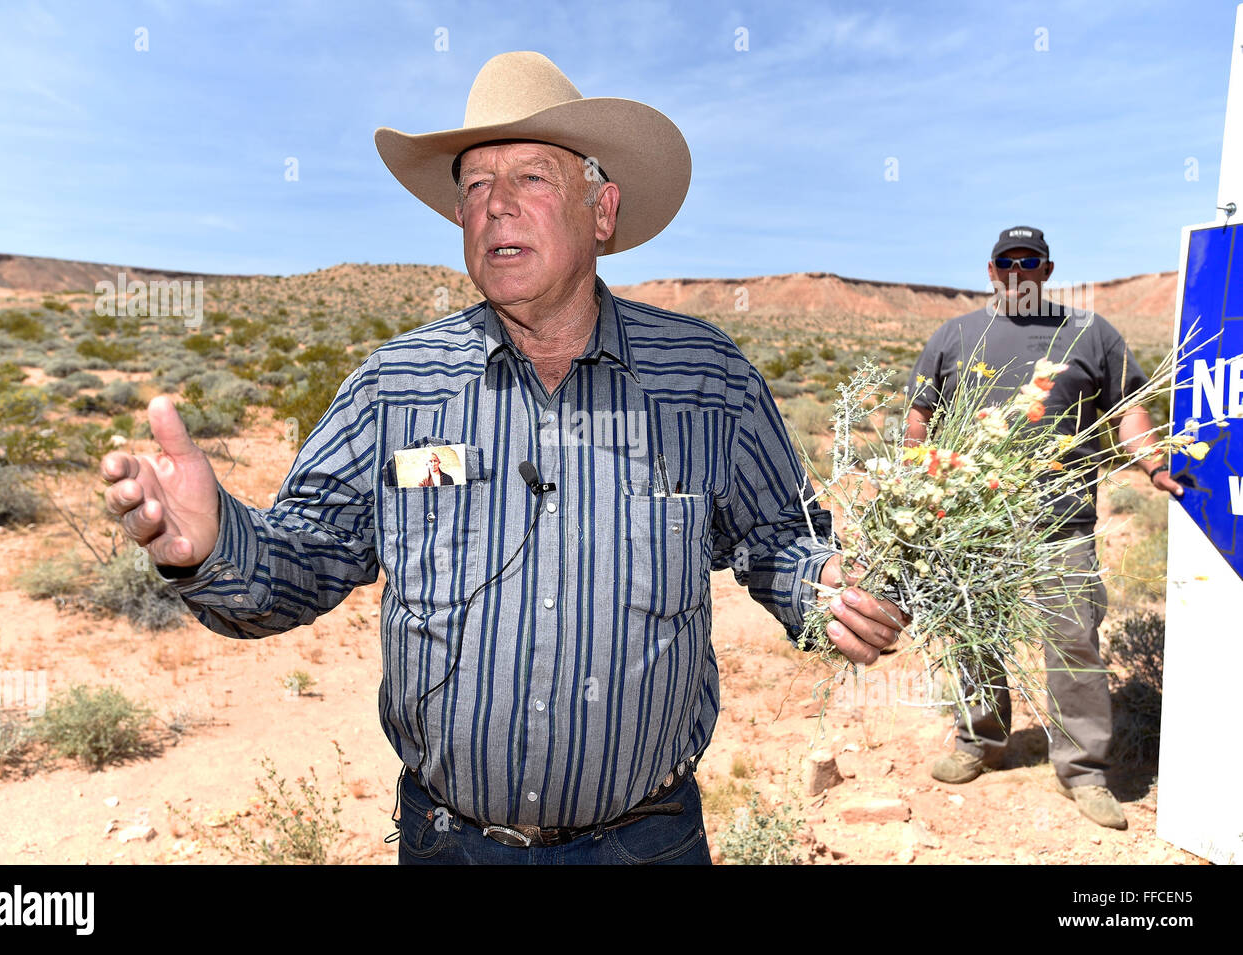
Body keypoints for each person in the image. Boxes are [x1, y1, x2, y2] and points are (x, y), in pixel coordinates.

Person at [99, 51, 903, 864]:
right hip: (449, 840)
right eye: (476, 187)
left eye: (531, 178)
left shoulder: (705, 378)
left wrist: (824, 587)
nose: (496, 208)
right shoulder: (396, 387)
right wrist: (211, 546)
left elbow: (779, 540)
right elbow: (298, 559)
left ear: (602, 209)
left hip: (645, 841)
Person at [906, 225, 1183, 831]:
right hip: (971, 525)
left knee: (1074, 643)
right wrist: (914, 481)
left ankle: (1083, 770)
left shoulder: (1090, 333)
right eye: (1007, 261)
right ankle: (979, 740)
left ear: (1047, 269)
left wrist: (1153, 461)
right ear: (991, 269)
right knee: (971, 634)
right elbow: (919, 415)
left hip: (1062, 522)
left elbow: (1129, 407)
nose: (1017, 270)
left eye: (1029, 260)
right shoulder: (955, 334)